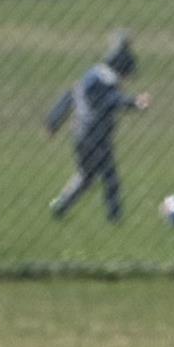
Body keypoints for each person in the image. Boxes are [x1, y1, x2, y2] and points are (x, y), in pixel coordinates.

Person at [47, 31, 152, 224]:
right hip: (95, 135)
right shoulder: (107, 78)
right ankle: (115, 218)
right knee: (110, 176)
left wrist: (53, 122)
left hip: (80, 133)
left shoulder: (93, 74)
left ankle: (61, 205)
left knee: (87, 176)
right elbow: (111, 100)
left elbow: (71, 96)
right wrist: (134, 102)